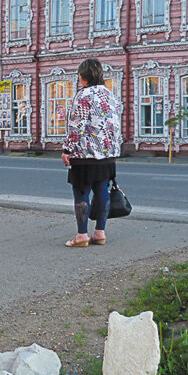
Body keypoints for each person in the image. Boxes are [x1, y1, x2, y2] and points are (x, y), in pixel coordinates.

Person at [61, 58, 122, 247]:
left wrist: (67, 149)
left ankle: (81, 236)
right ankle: (100, 233)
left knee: (82, 192)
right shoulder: (110, 95)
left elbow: (76, 125)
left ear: (83, 76)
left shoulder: (83, 95)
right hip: (107, 153)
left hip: (85, 153)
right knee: (102, 190)